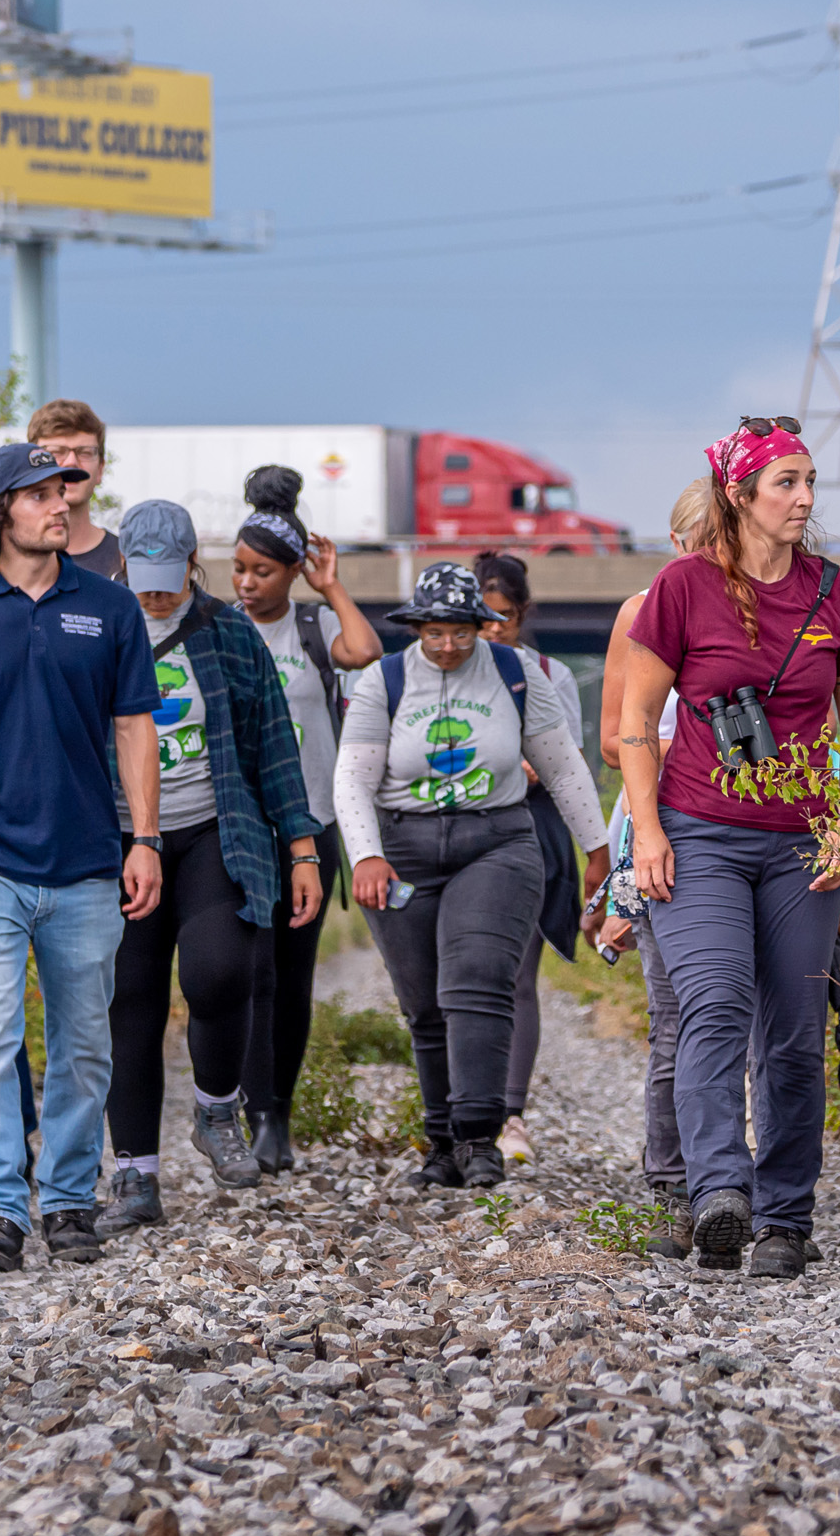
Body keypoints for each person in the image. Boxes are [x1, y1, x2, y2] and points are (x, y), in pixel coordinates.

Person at [618, 418, 840, 1280]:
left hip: (800, 845)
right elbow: (633, 724)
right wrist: (648, 831)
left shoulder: (837, 593)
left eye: (811, 482)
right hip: (698, 832)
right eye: (788, 484)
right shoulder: (681, 587)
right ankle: (718, 1196)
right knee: (714, 1005)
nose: (806, 498)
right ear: (740, 496)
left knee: (793, 1035)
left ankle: (784, 1218)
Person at [0, 442, 163, 1275]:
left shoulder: (112, 611)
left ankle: (72, 1203)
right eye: (41, 494)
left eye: (66, 491)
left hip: (86, 859)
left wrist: (146, 840)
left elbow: (134, 729)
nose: (62, 505)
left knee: (85, 1044)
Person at [336, 562, 611, 1190]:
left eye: (462, 632)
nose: (449, 646)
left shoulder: (514, 675)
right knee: (424, 1003)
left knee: (480, 983)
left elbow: (563, 767)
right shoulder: (385, 680)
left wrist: (596, 848)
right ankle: (440, 1143)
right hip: (404, 847)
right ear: (417, 628)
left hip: (497, 841)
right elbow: (352, 776)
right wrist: (365, 856)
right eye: (435, 633)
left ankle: (480, 1136)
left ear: (482, 626)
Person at [97, 500, 326, 1232]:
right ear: (122, 565)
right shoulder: (99, 628)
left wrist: (301, 848)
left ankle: (217, 1108)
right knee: (129, 999)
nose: (155, 595)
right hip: (121, 837)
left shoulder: (228, 633)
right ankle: (135, 1177)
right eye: (143, 580)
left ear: (194, 564)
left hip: (215, 831)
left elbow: (273, 748)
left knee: (222, 971)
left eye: (169, 580)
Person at [231, 466, 382, 1174]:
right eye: (237, 569)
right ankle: (242, 1103)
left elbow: (367, 651)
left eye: (262, 571)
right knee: (245, 974)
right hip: (236, 828)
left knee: (288, 977)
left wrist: (332, 587)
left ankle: (274, 1118)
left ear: (292, 571)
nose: (247, 583)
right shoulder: (220, 630)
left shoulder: (315, 626)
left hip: (310, 824)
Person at [592, 480, 709, 1257]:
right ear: (674, 547)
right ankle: (670, 1181)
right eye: (694, 549)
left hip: (750, 824)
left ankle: (737, 1179)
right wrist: (696, 757)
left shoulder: (766, 607)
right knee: (674, 1015)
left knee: (752, 1016)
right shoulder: (640, 612)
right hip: (654, 816)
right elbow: (610, 738)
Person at [474, 550, 587, 1167]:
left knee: (518, 976)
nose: (495, 632)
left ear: (524, 615)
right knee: (464, 976)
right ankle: (465, 1108)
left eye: (506, 619)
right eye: (484, 619)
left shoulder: (551, 674)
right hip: (461, 829)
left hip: (528, 827)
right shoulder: (445, 669)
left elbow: (565, 759)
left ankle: (510, 1114)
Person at [26, 399, 124, 582]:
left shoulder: (127, 561)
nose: (71, 462)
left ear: (100, 469)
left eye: (85, 452)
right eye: (56, 452)